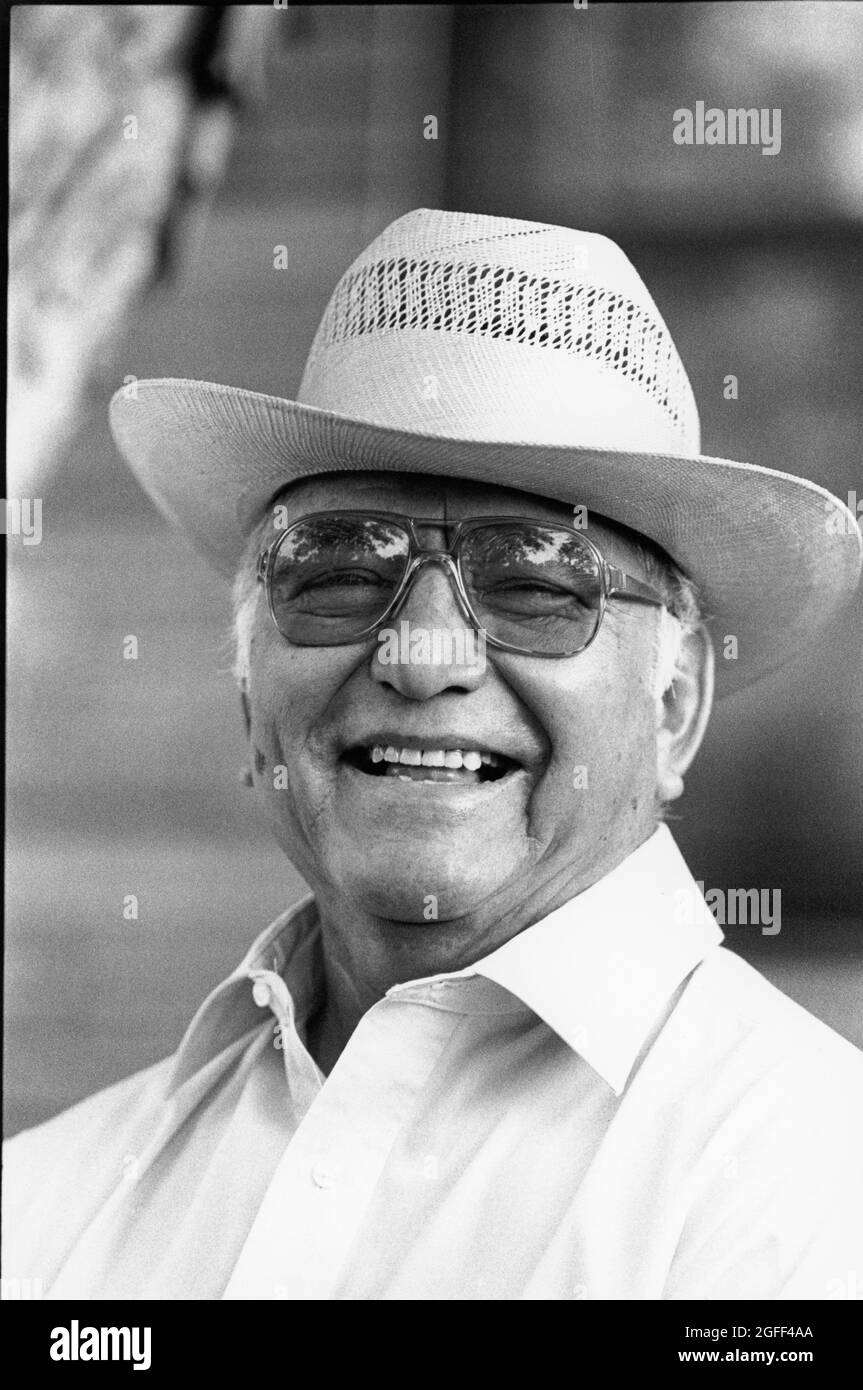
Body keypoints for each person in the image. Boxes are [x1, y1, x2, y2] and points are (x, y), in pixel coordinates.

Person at [4, 209, 862, 1300]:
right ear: (245, 687)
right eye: (336, 569)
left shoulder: (812, 1193)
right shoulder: (44, 1211)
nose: (420, 655)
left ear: (675, 704)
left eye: (539, 581)